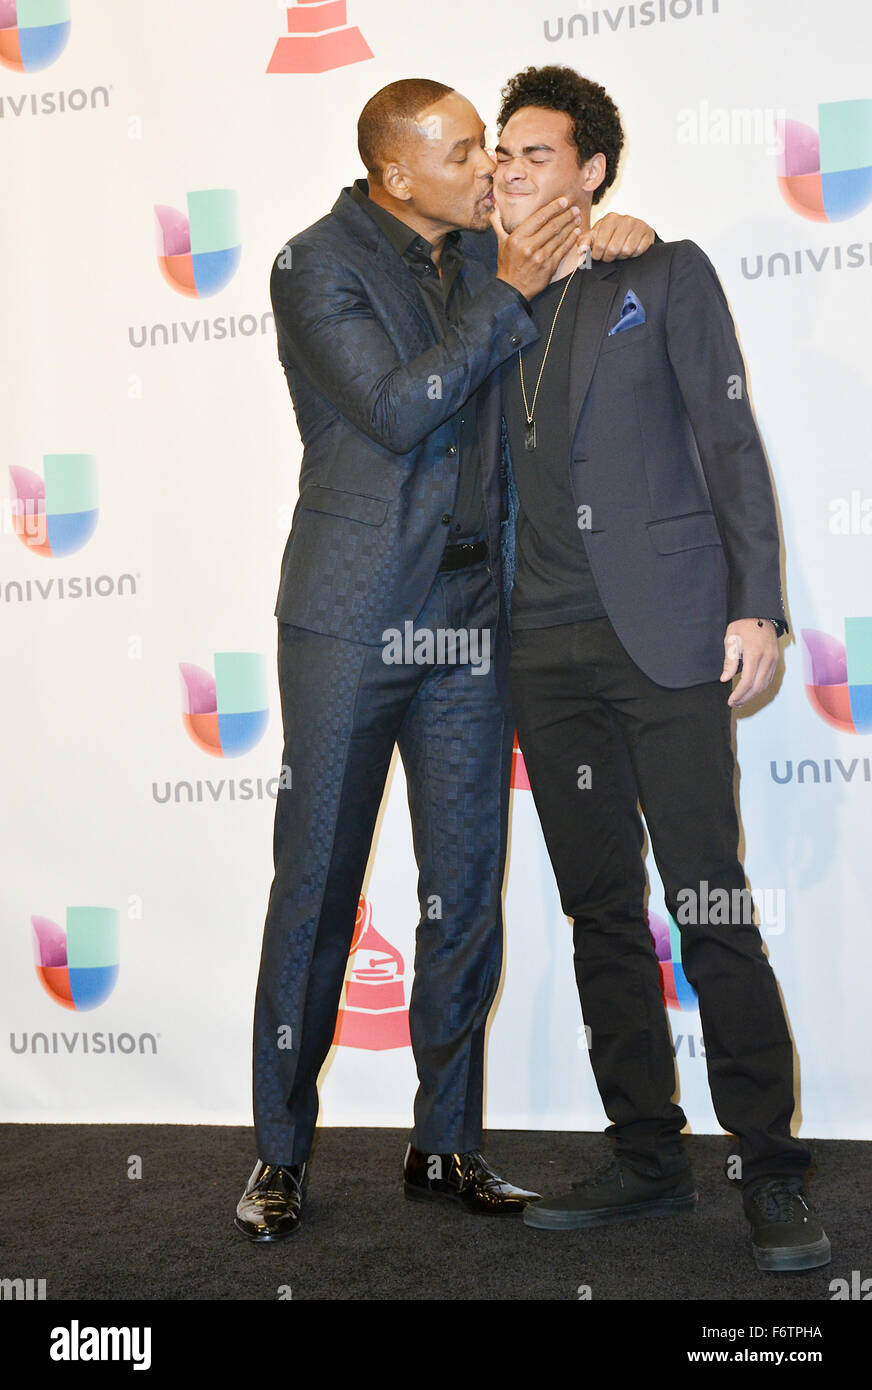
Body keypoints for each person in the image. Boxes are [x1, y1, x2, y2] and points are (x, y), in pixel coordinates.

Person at [234, 77, 655, 1241]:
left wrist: (621, 233)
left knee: (461, 892)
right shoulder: (311, 264)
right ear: (392, 175)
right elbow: (397, 405)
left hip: (471, 620)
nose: (489, 170)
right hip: (352, 617)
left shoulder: (485, 256)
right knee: (316, 887)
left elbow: (583, 281)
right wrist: (512, 286)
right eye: (464, 151)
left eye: (490, 147)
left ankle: (447, 1143)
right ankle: (278, 1153)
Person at [486, 64, 830, 1272]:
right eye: (500, 154)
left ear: (590, 170)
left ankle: (771, 1167)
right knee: (596, 911)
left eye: (537, 154)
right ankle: (643, 1155)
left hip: (666, 634)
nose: (511, 170)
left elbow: (727, 437)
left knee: (707, 898)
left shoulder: (660, 268)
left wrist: (757, 606)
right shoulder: (480, 300)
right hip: (538, 647)